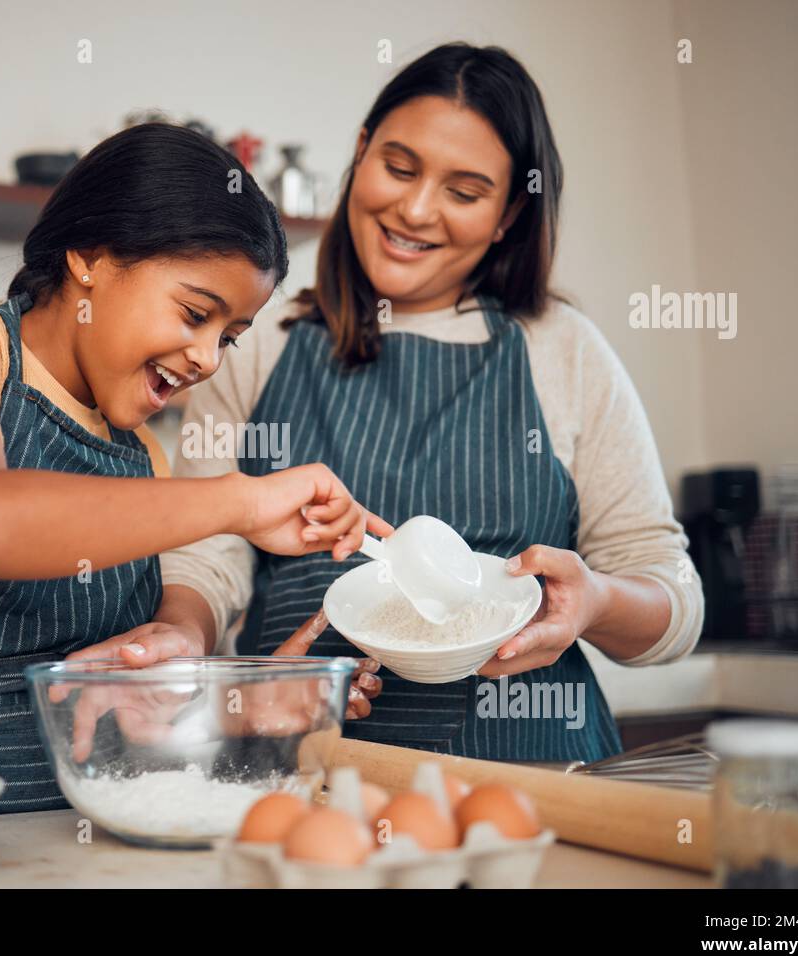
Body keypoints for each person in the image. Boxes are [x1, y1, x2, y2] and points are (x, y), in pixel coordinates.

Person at [148, 44, 706, 762]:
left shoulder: (565, 351)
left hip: (539, 778)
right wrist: (178, 635)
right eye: (399, 168)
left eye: (465, 192)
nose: (414, 209)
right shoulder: (256, 341)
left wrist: (595, 600)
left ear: (508, 214)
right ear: (361, 152)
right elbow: (204, 558)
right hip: (305, 768)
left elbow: (673, 597)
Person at [0, 123, 389, 811]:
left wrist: (239, 699)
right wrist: (241, 502)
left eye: (229, 338)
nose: (207, 359)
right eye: (194, 313)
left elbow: (136, 718)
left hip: (80, 846)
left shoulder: (145, 461)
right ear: (89, 255)